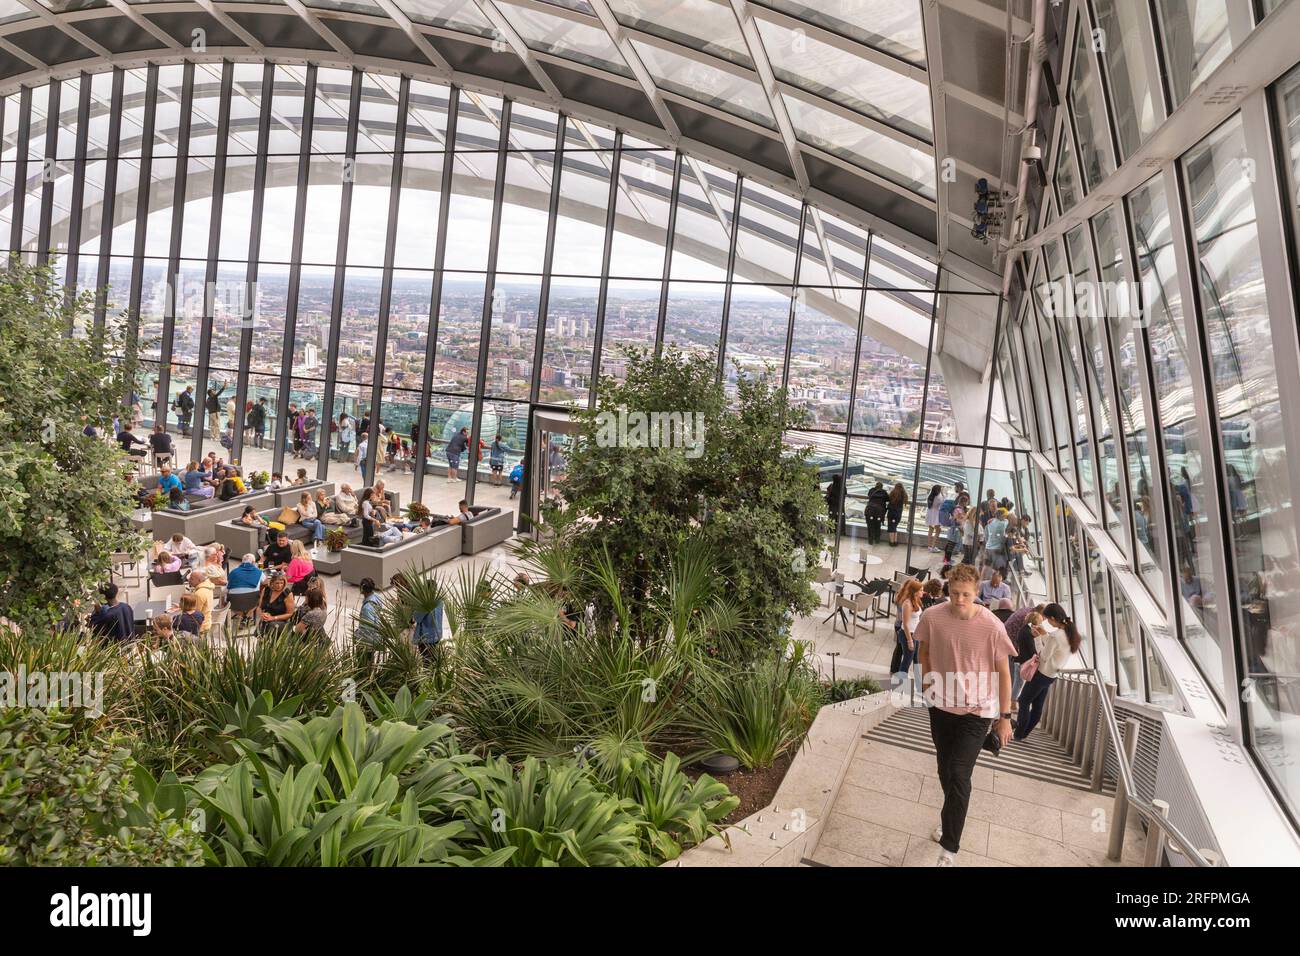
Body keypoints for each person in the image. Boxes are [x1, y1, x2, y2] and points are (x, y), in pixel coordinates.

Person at [916, 563, 1015, 865]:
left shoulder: (991, 626)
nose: (960, 600)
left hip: (977, 712)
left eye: (966, 594)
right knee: (945, 771)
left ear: (977, 592)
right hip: (941, 707)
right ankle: (950, 819)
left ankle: (949, 849)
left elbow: (1004, 672)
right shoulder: (933, 617)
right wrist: (927, 683)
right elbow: (924, 650)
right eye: (955, 593)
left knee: (959, 775)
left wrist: (1005, 717)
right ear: (947, 588)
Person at [1014, 603, 1080, 741]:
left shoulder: (1056, 636)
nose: (1047, 622)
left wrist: (1037, 638)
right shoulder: (1069, 633)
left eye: (1048, 619)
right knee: (1037, 706)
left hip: (1042, 673)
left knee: (1024, 701)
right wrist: (1044, 635)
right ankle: (1023, 733)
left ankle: (1019, 734)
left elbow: (1043, 657)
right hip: (1051, 675)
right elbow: (1054, 649)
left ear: (1052, 618)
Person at [892, 578, 924, 700]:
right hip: (907, 635)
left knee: (917, 660)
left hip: (915, 634)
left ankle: (920, 687)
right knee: (907, 661)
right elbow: (905, 624)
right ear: (915, 591)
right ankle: (900, 688)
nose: (923, 592)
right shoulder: (907, 603)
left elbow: (916, 619)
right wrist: (910, 640)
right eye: (921, 590)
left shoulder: (916, 600)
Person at [188, 569, 215, 640]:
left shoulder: (199, 594)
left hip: (201, 626)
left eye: (192, 578)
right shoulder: (208, 586)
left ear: (199, 581)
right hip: (207, 621)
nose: (189, 579)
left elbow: (194, 614)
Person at [864, 481, 888, 545]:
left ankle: (870, 540)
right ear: (882, 487)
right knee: (878, 525)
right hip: (879, 512)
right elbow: (888, 499)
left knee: (870, 525)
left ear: (875, 485)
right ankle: (877, 539)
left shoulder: (871, 490)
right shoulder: (884, 492)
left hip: (870, 510)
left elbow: (869, 496)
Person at [886, 482, 907, 547]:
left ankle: (892, 542)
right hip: (898, 514)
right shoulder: (904, 494)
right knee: (894, 527)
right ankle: (895, 541)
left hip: (891, 512)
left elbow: (888, 499)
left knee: (891, 527)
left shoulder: (893, 493)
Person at [925, 485, 944, 553]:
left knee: (930, 529)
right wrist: (942, 493)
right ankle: (933, 546)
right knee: (938, 530)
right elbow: (943, 502)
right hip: (936, 514)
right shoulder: (939, 497)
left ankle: (929, 546)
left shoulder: (930, 495)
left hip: (930, 513)